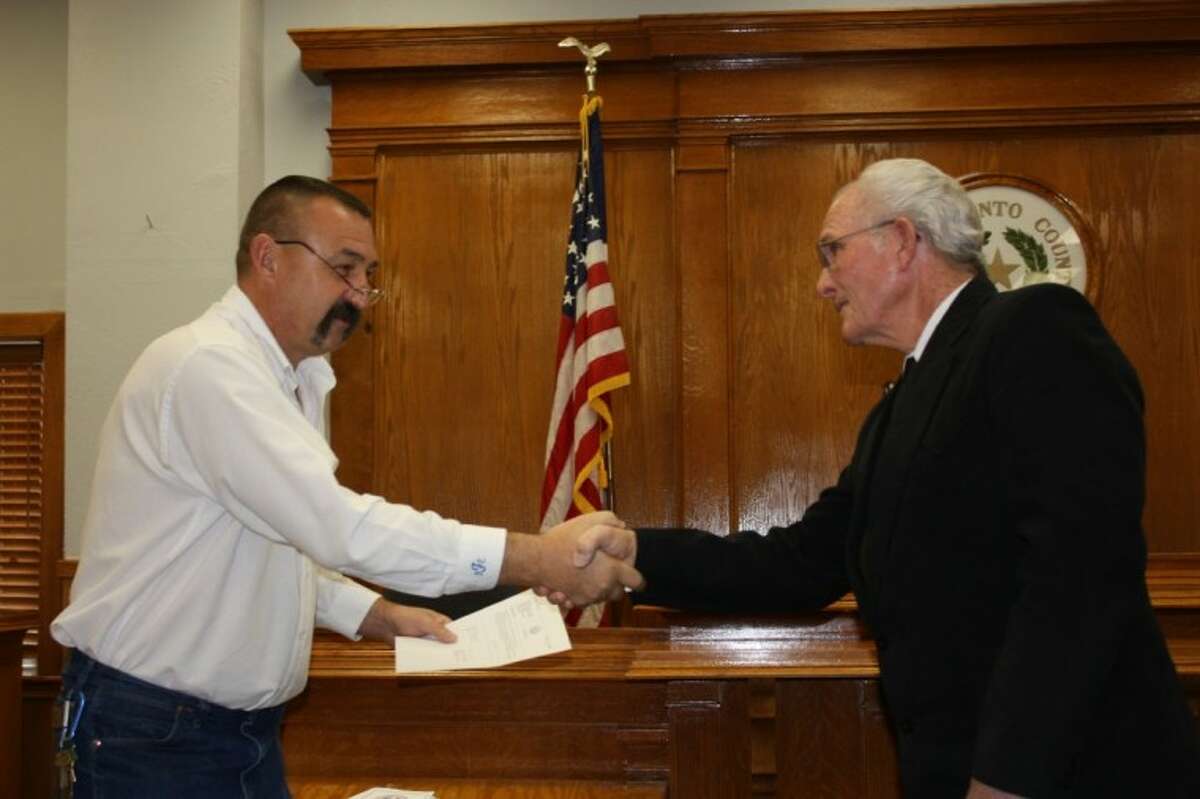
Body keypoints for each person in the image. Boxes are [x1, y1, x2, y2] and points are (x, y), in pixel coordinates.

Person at [578, 159, 1200, 797]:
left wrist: (1007, 778)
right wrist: (638, 553)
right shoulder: (898, 407)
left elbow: (1078, 573)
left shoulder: (1034, 329)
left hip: (1068, 773)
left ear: (902, 241)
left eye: (832, 252)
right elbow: (801, 563)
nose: (823, 284)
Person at [50, 175, 641, 798]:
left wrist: (375, 615)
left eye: (368, 275)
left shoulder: (297, 378)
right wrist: (536, 557)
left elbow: (281, 544)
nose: (359, 294)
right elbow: (337, 528)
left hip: (234, 732)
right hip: (152, 733)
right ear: (267, 257)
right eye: (344, 267)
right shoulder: (209, 367)